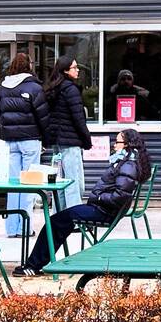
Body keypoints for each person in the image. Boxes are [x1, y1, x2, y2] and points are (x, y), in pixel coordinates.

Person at [15, 130, 152, 276]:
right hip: (103, 209)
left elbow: (120, 196)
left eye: (117, 142)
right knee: (59, 221)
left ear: (127, 145)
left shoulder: (127, 165)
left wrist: (99, 197)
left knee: (55, 222)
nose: (114, 145)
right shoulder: (126, 162)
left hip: (104, 211)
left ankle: (33, 265)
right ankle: (35, 263)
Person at [0, 52, 51, 237]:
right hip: (30, 140)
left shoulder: (3, 87)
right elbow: (43, 116)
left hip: (11, 141)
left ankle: (11, 229)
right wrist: (46, 138)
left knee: (13, 185)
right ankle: (25, 228)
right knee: (29, 185)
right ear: (29, 66)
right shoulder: (34, 87)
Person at [45, 55, 91, 210]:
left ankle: (59, 214)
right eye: (74, 67)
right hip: (71, 142)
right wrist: (86, 139)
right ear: (65, 70)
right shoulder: (71, 90)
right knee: (74, 182)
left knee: (61, 181)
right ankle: (75, 215)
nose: (78, 70)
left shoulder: (53, 89)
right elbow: (78, 118)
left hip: (57, 142)